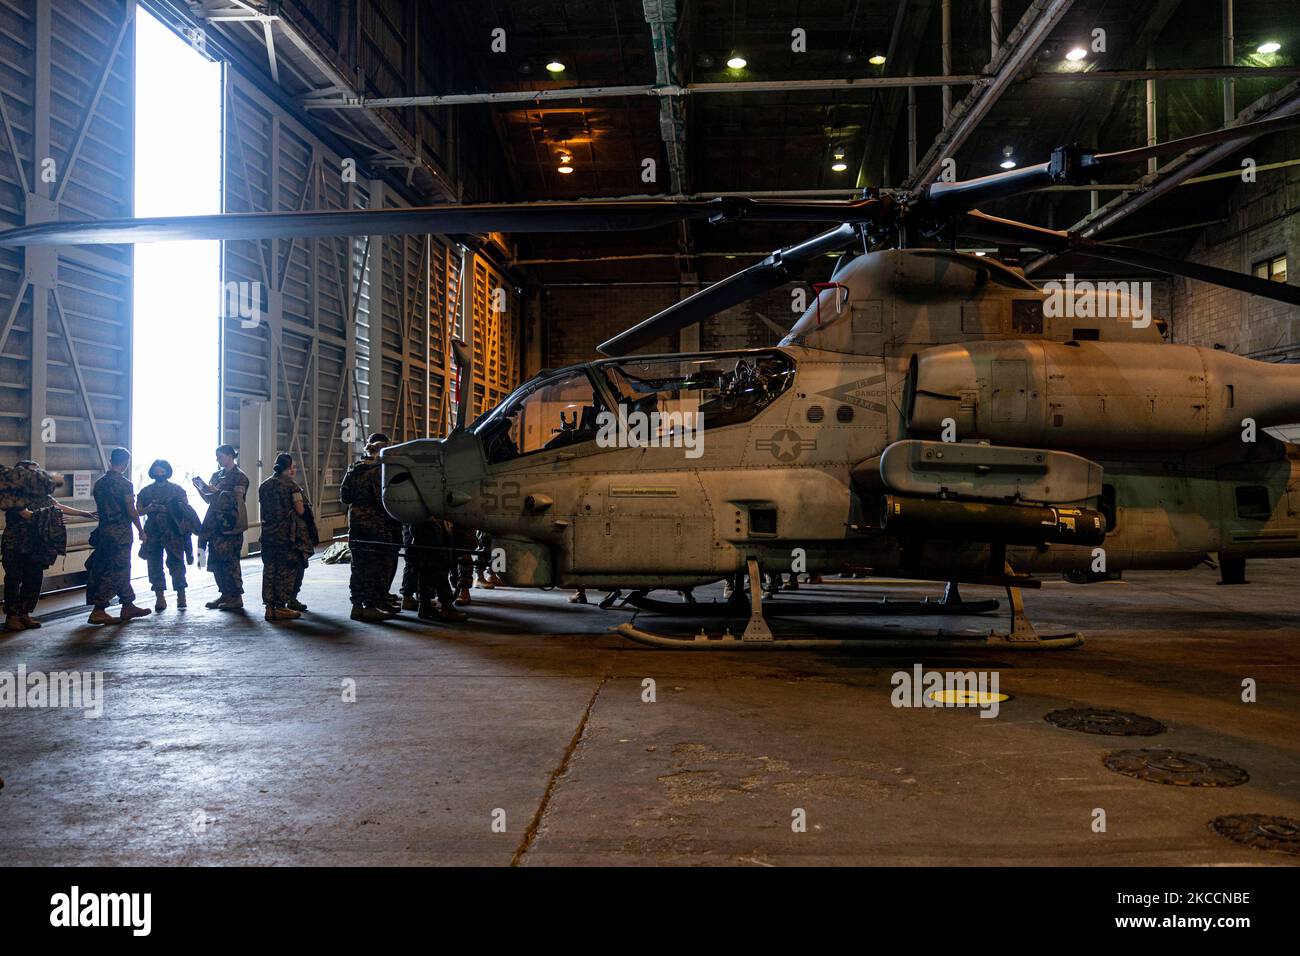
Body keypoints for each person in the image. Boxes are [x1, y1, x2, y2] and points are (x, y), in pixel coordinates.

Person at [2, 462, 93, 631]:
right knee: (14, 579)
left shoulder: (41, 494)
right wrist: (52, 518)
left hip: (36, 543)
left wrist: (82, 513)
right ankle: (12, 616)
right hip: (15, 543)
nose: (38, 477)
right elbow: (27, 514)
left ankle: (25, 613)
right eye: (33, 473)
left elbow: (56, 506)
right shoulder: (14, 495)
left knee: (34, 578)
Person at [86, 447, 151, 625]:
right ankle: (98, 609)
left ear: (110, 460)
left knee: (116, 568)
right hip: (120, 534)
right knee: (117, 570)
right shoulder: (124, 484)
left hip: (104, 533)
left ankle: (128, 604)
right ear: (126, 463)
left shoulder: (99, 484)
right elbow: (131, 511)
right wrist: (141, 530)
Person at [340, 433, 401, 622]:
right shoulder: (379, 471)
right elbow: (383, 500)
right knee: (375, 565)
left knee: (358, 565)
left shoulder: (353, 469)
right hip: (375, 525)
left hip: (356, 524)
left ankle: (357, 606)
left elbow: (344, 497)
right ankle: (372, 605)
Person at [193, 444, 249, 610]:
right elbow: (209, 500)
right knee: (216, 561)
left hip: (230, 525)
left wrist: (217, 491)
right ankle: (225, 594)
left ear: (230, 455)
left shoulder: (240, 477)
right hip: (214, 525)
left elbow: (236, 500)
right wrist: (201, 489)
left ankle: (236, 596)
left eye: (220, 456)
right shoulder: (216, 475)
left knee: (230, 561)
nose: (217, 459)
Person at [259, 453, 313, 622]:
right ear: (288, 468)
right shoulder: (292, 486)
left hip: (268, 535)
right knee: (285, 571)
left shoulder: (264, 485)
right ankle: (281, 607)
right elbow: (300, 510)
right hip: (286, 536)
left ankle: (269, 608)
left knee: (269, 571)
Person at [136, 459, 195, 611]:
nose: (159, 474)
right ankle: (159, 597)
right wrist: (149, 508)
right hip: (153, 531)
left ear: (167, 472)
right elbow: (138, 510)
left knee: (176, 562)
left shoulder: (177, 489)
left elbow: (185, 508)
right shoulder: (146, 491)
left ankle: (181, 595)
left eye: (162, 471)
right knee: (154, 564)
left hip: (173, 531)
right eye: (157, 471)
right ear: (152, 473)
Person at [401, 518, 469, 623]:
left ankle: (425, 606)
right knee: (438, 564)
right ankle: (446, 607)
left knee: (425, 565)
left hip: (418, 520)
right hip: (428, 521)